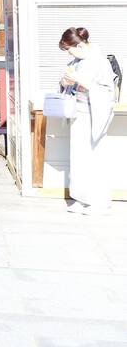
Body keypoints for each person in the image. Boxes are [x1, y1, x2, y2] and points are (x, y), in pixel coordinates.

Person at [58, 27, 116, 216]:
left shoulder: (100, 62)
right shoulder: (77, 61)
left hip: (93, 113)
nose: (69, 53)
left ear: (80, 45)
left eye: (70, 49)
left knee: (94, 157)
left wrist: (82, 83)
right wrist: (65, 83)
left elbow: (108, 92)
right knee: (78, 157)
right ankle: (81, 198)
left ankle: (98, 201)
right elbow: (70, 81)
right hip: (79, 112)